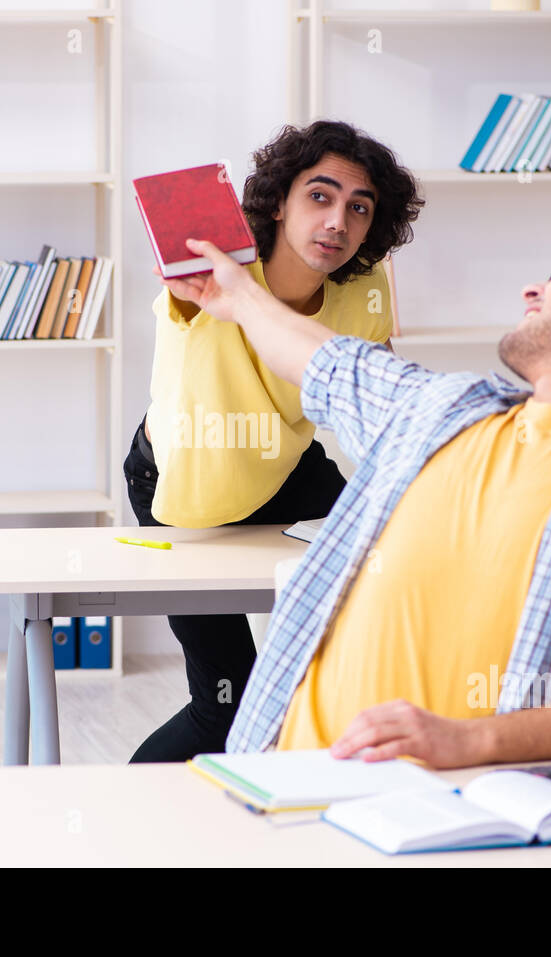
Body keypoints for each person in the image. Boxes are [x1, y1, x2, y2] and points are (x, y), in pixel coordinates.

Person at [158, 231, 551, 769]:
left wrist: (469, 740)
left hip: (460, 819)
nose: (532, 288)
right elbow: (325, 359)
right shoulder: (445, 405)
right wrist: (235, 294)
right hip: (280, 780)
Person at [125, 120, 424, 762]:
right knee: (226, 709)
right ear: (280, 202)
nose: (338, 221)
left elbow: (379, 408)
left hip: (288, 469)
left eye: (359, 208)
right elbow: (186, 298)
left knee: (385, 616)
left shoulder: (365, 288)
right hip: (184, 484)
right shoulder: (213, 277)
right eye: (320, 196)